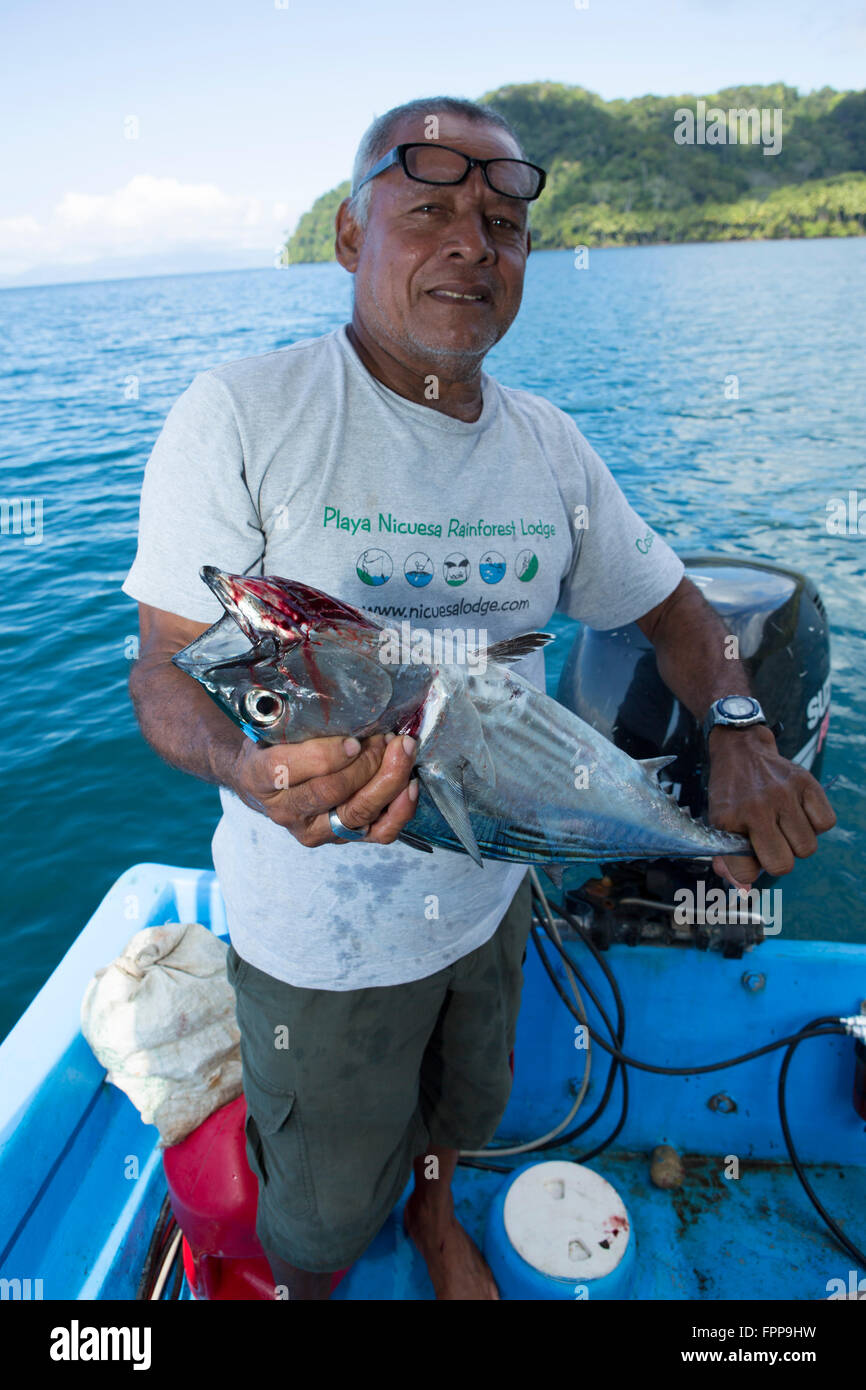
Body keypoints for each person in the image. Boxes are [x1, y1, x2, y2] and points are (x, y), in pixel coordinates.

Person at [122, 95, 836, 1300]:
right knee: (323, 1205)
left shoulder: (549, 446)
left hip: (493, 887)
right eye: (432, 211)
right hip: (321, 941)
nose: (473, 243)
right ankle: (313, 1274)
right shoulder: (243, 415)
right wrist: (246, 768)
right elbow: (164, 670)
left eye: (503, 225)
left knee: (467, 1100)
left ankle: (443, 1210)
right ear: (352, 239)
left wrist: (738, 726)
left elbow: (673, 615)